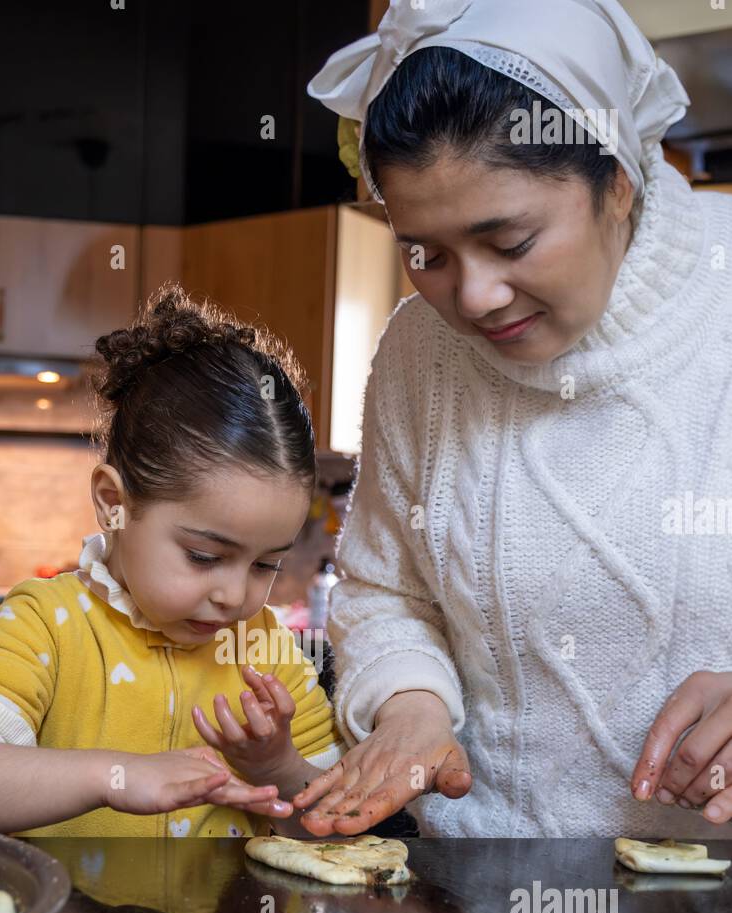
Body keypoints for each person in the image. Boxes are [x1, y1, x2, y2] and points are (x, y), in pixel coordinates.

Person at [293, 0, 732, 839]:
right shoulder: (419, 353)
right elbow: (385, 590)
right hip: (482, 893)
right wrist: (409, 705)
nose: (473, 296)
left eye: (511, 241)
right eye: (425, 252)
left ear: (618, 180)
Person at [0, 286, 346, 839]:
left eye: (265, 565)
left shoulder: (265, 650)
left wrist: (276, 766)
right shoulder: (45, 626)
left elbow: (338, 831)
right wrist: (113, 776)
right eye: (204, 556)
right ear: (115, 506)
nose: (236, 596)